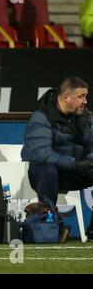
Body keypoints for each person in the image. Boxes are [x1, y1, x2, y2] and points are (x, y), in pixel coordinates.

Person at [21, 76, 93, 240]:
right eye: (81, 96)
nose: (85, 101)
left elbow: (91, 144)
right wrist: (75, 164)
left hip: (74, 171)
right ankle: (49, 225)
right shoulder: (42, 117)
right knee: (47, 169)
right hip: (43, 175)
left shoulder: (85, 116)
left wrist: (89, 161)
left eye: (86, 96)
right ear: (67, 97)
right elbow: (41, 152)